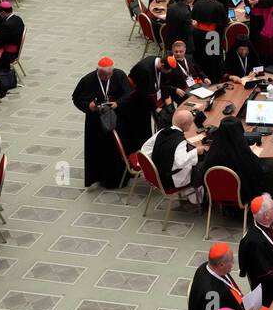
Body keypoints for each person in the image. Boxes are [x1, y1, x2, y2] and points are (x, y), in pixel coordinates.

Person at [72, 56, 133, 188]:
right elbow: (76, 99)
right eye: (104, 75)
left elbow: (129, 93)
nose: (107, 77)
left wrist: (117, 103)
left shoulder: (119, 75)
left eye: (109, 74)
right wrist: (89, 106)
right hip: (96, 122)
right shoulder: (87, 80)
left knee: (117, 149)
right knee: (100, 149)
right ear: (98, 72)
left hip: (117, 118)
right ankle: (101, 178)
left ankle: (119, 178)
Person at [187, 242, 262, 310]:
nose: (233, 263)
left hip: (237, 309)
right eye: (231, 261)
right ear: (221, 264)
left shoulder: (208, 266)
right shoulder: (211, 294)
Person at [199, 116, 273, 203]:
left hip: (217, 194)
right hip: (244, 194)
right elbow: (256, 170)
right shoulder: (243, 153)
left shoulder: (213, 151)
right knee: (269, 168)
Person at [142, 106, 204, 205]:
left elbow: (145, 148)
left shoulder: (162, 132)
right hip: (170, 180)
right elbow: (181, 162)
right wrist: (196, 151)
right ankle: (198, 199)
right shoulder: (180, 142)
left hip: (158, 174)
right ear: (186, 125)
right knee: (202, 165)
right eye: (190, 123)